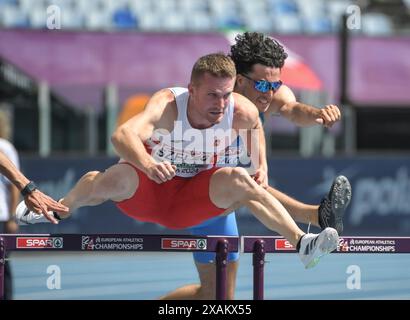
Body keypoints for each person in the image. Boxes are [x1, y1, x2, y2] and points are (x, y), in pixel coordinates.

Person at [15, 54, 340, 298]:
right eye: (213, 95)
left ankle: (303, 243)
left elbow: (257, 126)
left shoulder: (242, 110)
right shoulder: (169, 106)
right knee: (116, 177)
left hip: (196, 200)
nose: (221, 104)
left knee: (221, 300)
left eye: (226, 95)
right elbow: (121, 136)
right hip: (151, 191)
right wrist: (147, 163)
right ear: (191, 90)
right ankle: (60, 207)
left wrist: (261, 162)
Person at [160, 32, 352, 300]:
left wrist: (318, 115)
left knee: (217, 298)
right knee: (244, 184)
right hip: (186, 187)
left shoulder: (267, 94)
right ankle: (313, 218)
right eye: (262, 86)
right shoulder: (215, 99)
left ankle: (316, 216)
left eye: (275, 85)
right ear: (239, 81)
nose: (269, 94)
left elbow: (292, 109)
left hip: (221, 199)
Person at [0, 110, 68, 300]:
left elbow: (12, 185)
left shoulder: (4, 146)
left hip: (1, 213)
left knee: (3, 264)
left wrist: (27, 190)